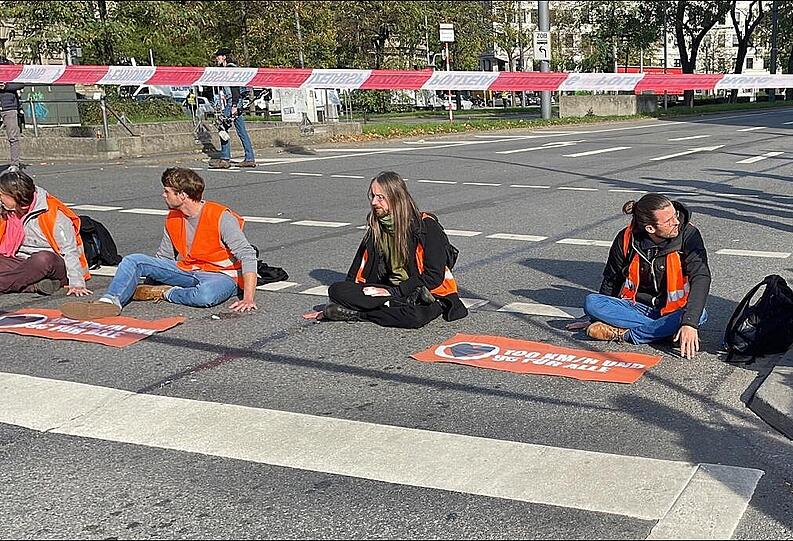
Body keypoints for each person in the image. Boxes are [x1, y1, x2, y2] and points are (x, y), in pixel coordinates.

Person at [60, 167, 258, 319]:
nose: (163, 195)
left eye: (167, 191)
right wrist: (152, 276)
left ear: (182, 195)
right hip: (188, 270)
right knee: (133, 260)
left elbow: (247, 254)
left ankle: (166, 293)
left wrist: (248, 298)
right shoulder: (173, 217)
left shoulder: (220, 216)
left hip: (222, 276)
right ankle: (109, 302)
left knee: (206, 296)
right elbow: (163, 258)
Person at [309, 171, 468, 328]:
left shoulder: (426, 226)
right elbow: (356, 271)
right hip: (390, 290)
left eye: (380, 197)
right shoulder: (376, 228)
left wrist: (394, 293)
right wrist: (341, 300)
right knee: (336, 289)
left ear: (396, 198)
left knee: (414, 316)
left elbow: (433, 276)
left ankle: (360, 314)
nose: (374, 202)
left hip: (426, 291)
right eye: (372, 196)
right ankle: (393, 305)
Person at [578, 193, 711, 359]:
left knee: (700, 314)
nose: (676, 222)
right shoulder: (626, 238)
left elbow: (701, 276)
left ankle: (627, 335)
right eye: (669, 221)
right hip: (636, 308)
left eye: (675, 215)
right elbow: (612, 279)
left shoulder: (689, 234)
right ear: (650, 229)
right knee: (592, 302)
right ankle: (664, 332)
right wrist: (595, 317)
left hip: (674, 310)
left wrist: (689, 323)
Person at [0, 170, 91, 296]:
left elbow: (70, 252)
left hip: (55, 266)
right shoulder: (6, 210)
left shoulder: (55, 216)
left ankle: (5, 283)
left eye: (2, 195)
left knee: (43, 259)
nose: (0, 198)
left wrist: (77, 283)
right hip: (21, 261)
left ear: (16, 196)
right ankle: (33, 286)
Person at [208, 48, 256, 169]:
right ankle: (249, 158)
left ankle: (225, 159)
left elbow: (235, 88)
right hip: (236, 102)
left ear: (224, 57)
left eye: (218, 56)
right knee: (242, 131)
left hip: (233, 103)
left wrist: (234, 106)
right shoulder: (233, 68)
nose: (217, 58)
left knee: (222, 127)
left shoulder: (229, 69)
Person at [0, 56, 23, 172]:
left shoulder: (9, 64)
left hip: (8, 106)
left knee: (13, 137)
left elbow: (21, 83)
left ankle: (15, 164)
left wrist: (5, 86)